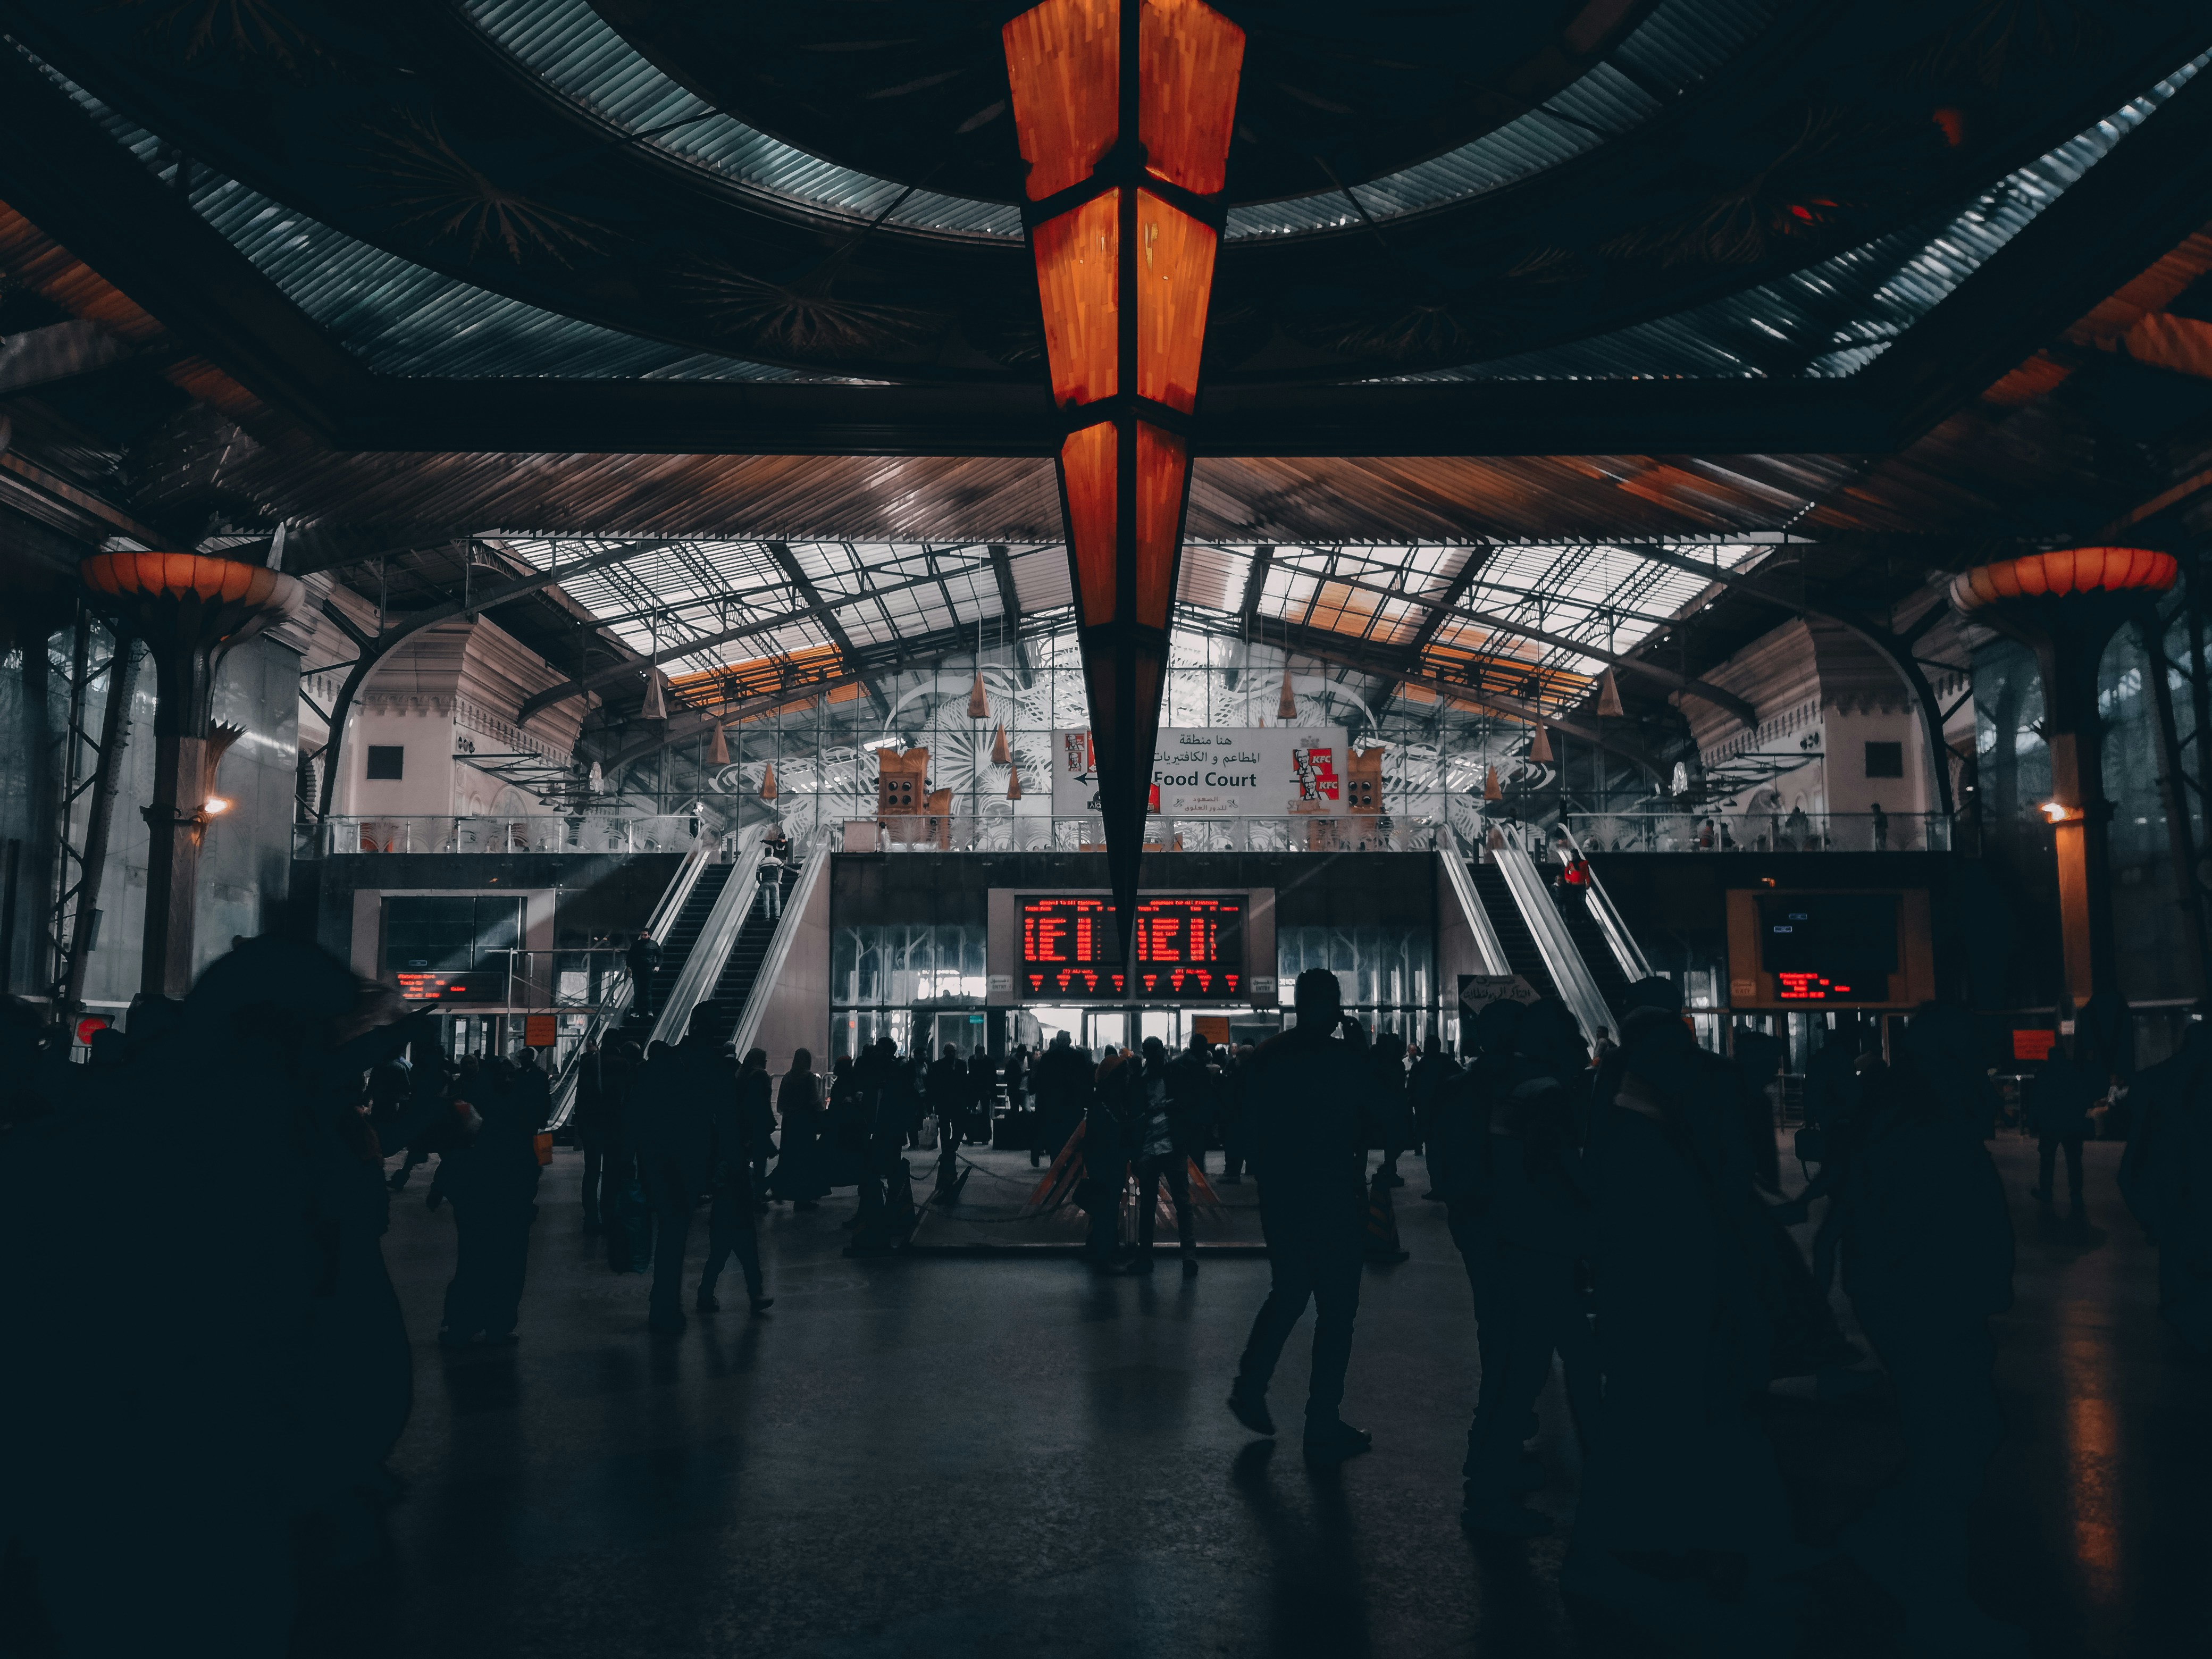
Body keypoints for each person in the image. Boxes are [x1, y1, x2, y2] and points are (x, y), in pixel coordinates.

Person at [1830, 1003, 2022, 1653]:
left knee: (1948, 1438)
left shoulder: (1898, 1117)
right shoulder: (1926, 1128)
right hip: (1929, 1304)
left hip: (1914, 1302)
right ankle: (1932, 1601)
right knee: (1956, 1440)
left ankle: (1900, 1559)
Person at [1227, 968, 1376, 1463]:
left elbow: (1242, 1124)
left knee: (1289, 1292)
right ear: (1332, 1006)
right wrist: (1364, 1056)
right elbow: (1378, 1117)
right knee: (1337, 1312)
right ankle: (1322, 1421)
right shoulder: (1343, 1060)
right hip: (1333, 1193)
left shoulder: (1267, 1059)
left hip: (1284, 1195)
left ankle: (1251, 1386)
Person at [2119, 1008, 2212, 1353]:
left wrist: (2150, 1216)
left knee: (2182, 1271)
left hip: (2177, 1199)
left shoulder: (2159, 1082)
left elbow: (2137, 1160)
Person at [439, 1058, 545, 1346]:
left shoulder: (470, 1108)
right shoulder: (521, 1111)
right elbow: (533, 1154)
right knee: (508, 1264)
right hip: (511, 1197)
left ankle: (463, 1321)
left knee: (474, 1261)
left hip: (478, 1197)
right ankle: (499, 1322)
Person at [700, 1048, 774, 1315]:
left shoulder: (716, 1114)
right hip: (736, 1186)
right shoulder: (734, 1112)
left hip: (726, 1191)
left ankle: (707, 1294)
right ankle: (753, 1294)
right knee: (745, 1250)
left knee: (721, 1252)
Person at [1125, 1036, 1199, 1275]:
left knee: (1147, 1206)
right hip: (1173, 1144)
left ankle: (1145, 1256)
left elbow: (1135, 1117)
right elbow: (1190, 1103)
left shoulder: (1139, 1081)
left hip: (1150, 1147)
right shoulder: (1177, 1073)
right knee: (1182, 1203)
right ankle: (1188, 1256)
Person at [770, 1048, 829, 1207]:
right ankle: (802, 1199)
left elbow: (781, 1103)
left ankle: (779, 1188)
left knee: (789, 1158)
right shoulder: (809, 1078)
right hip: (805, 1123)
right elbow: (814, 1101)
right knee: (805, 1160)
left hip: (790, 1123)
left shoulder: (788, 1077)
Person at [1368, 1029, 1410, 1187]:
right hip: (1394, 1106)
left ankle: (1388, 1170)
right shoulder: (1395, 1065)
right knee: (1396, 1141)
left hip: (1383, 1106)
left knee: (1391, 1141)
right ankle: (1388, 1170)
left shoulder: (1377, 1063)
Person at [627, 928, 663, 1019]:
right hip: (638, 970)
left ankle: (648, 1011)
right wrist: (629, 967)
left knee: (647, 991)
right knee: (638, 992)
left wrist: (658, 966)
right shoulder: (636, 945)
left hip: (648, 970)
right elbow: (630, 956)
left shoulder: (653, 944)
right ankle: (637, 1011)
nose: (643, 937)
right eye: (642, 935)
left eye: (645, 935)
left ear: (649, 935)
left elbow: (660, 956)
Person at [967, 1045, 999, 1146]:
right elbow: (993, 1077)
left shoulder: (972, 1060)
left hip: (976, 1090)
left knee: (972, 1113)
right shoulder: (989, 1061)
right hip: (984, 1090)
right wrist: (990, 1090)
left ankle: (971, 1136)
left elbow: (972, 1075)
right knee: (985, 1113)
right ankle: (984, 1136)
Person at [757, 834, 787, 921]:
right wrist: (795, 871)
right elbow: (784, 867)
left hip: (765, 882)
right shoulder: (785, 843)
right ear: (771, 853)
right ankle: (777, 916)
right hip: (775, 879)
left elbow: (757, 875)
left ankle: (767, 917)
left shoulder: (761, 862)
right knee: (777, 899)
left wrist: (760, 883)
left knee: (766, 900)